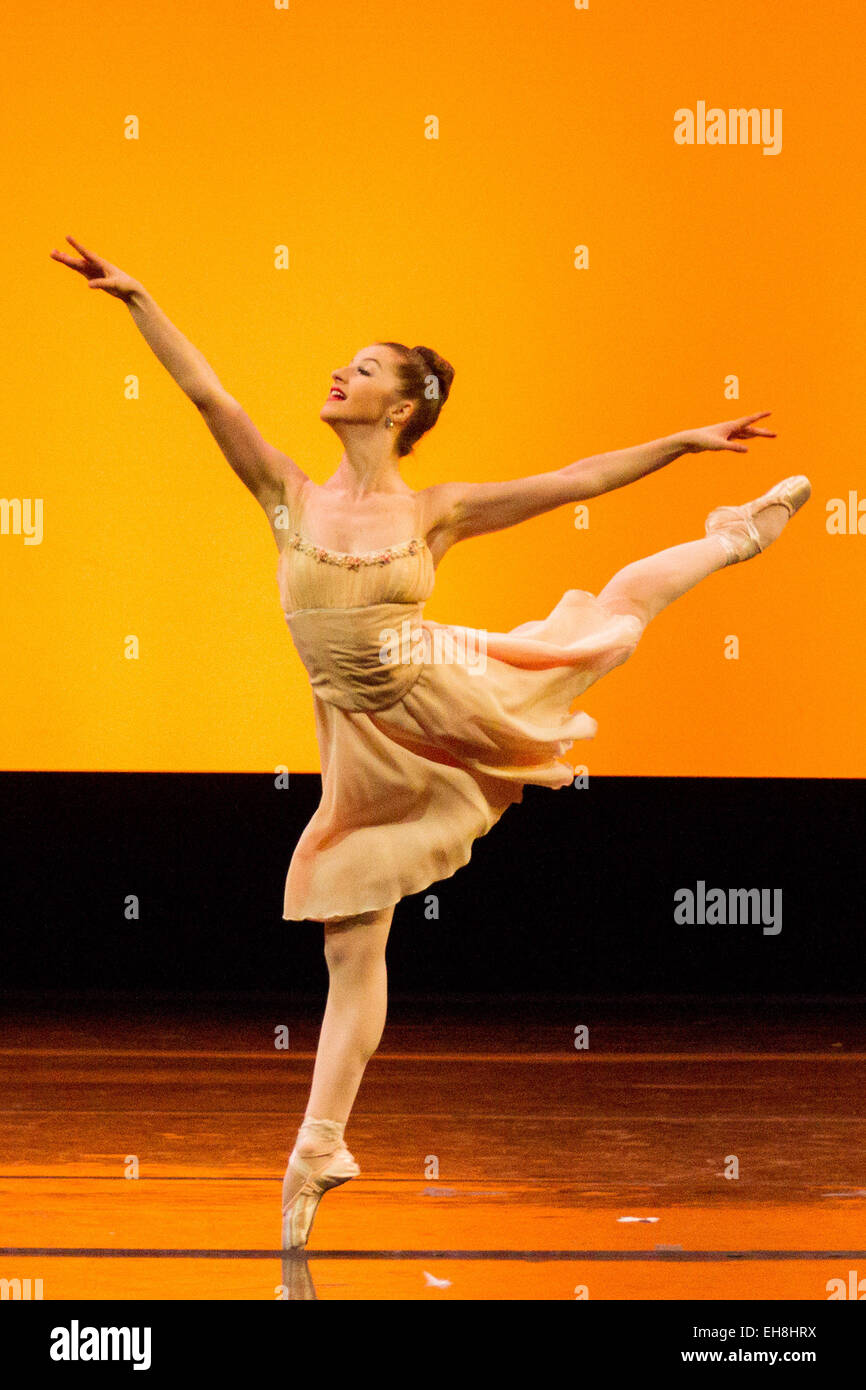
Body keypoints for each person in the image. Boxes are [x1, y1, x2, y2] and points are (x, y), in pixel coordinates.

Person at [50, 235, 811, 1248]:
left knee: (600, 631)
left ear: (399, 408)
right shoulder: (287, 493)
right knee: (349, 937)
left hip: (438, 687)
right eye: (344, 363)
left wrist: (679, 439)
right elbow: (207, 395)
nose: (339, 374)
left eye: (362, 369)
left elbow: (575, 479)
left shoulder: (435, 511)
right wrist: (138, 296)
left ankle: (732, 535)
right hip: (362, 738)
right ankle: (321, 1145)